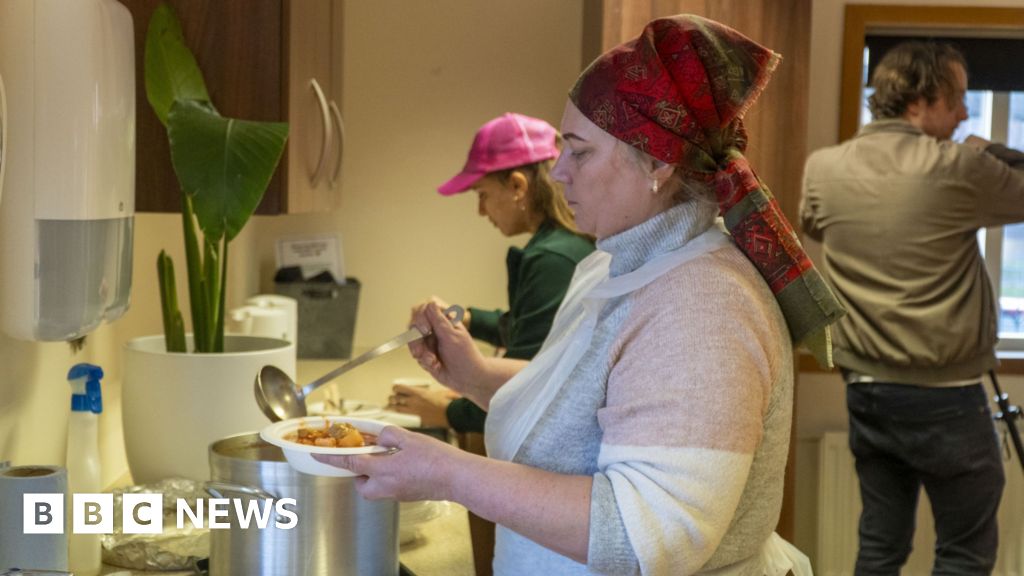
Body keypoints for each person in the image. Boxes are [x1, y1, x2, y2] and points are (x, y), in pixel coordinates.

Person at [321, 15, 841, 575]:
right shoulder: (613, 264)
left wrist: (444, 471)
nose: (558, 172)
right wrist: (474, 375)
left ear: (659, 162)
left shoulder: (705, 305)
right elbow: (594, 404)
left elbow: (649, 537)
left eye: (579, 152)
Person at [801, 41, 1024, 575]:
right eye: (959, 99)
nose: (965, 112)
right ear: (923, 100)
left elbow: (814, 225)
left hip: (868, 393)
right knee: (964, 553)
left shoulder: (824, 168)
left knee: (880, 546)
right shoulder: (957, 166)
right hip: (946, 396)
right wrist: (989, 149)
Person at [390, 112, 594, 433]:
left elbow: (526, 384)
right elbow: (532, 331)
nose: (481, 211)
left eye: (482, 195)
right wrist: (466, 318)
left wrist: (446, 412)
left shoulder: (550, 259)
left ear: (517, 185)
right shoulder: (565, 247)